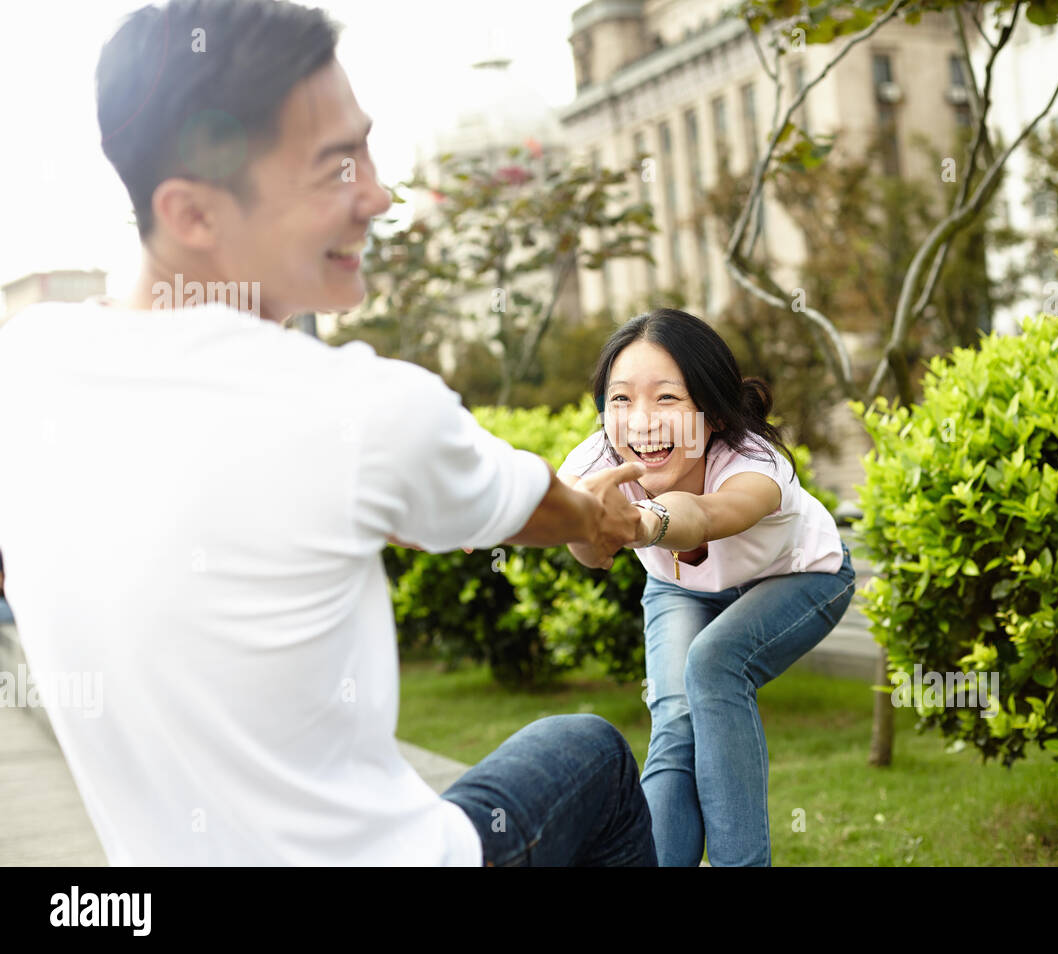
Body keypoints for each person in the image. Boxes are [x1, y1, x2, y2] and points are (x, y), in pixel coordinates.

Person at [0, 0, 657, 866]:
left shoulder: (27, 367)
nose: (379, 196)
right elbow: (536, 505)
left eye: (368, 147)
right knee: (592, 756)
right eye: (335, 166)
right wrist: (600, 520)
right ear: (194, 214)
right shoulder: (361, 410)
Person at [556, 309, 857, 866]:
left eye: (666, 398)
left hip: (802, 575)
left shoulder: (755, 464)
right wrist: (489, 521)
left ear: (711, 411)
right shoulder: (600, 455)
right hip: (683, 589)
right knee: (673, 723)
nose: (640, 421)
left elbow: (708, 515)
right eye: (620, 399)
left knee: (716, 662)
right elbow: (589, 551)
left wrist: (645, 523)